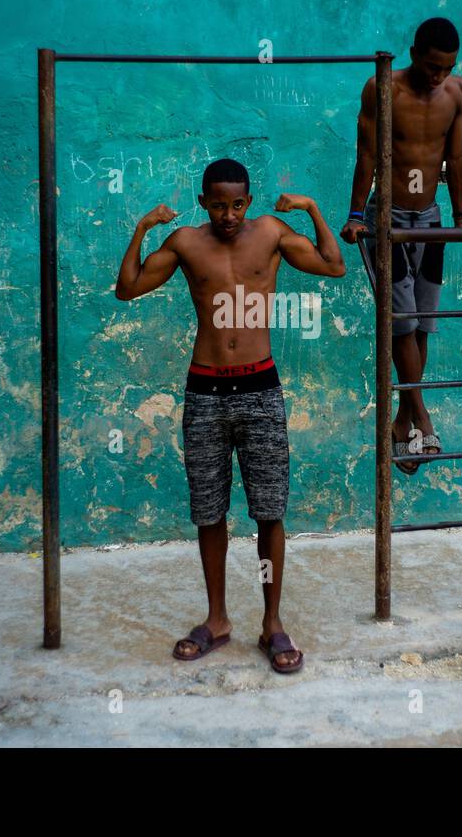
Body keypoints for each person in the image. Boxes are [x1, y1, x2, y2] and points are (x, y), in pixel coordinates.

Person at [114, 157, 345, 673]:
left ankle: (272, 623)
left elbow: (334, 263)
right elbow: (127, 287)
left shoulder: (270, 232)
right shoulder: (185, 243)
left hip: (260, 388)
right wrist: (142, 228)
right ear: (203, 203)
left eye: (237, 203)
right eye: (218, 205)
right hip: (205, 392)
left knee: (269, 512)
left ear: (249, 199)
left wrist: (309, 208)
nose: (228, 215)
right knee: (208, 511)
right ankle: (217, 619)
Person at [340, 17, 462, 473]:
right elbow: (368, 155)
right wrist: (357, 215)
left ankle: (404, 417)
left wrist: (459, 215)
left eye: (447, 68)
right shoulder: (384, 89)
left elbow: (456, 156)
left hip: (431, 219)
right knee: (401, 322)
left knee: (421, 325)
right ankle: (421, 414)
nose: (438, 76)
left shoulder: (456, 93)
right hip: (388, 219)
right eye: (432, 66)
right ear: (414, 53)